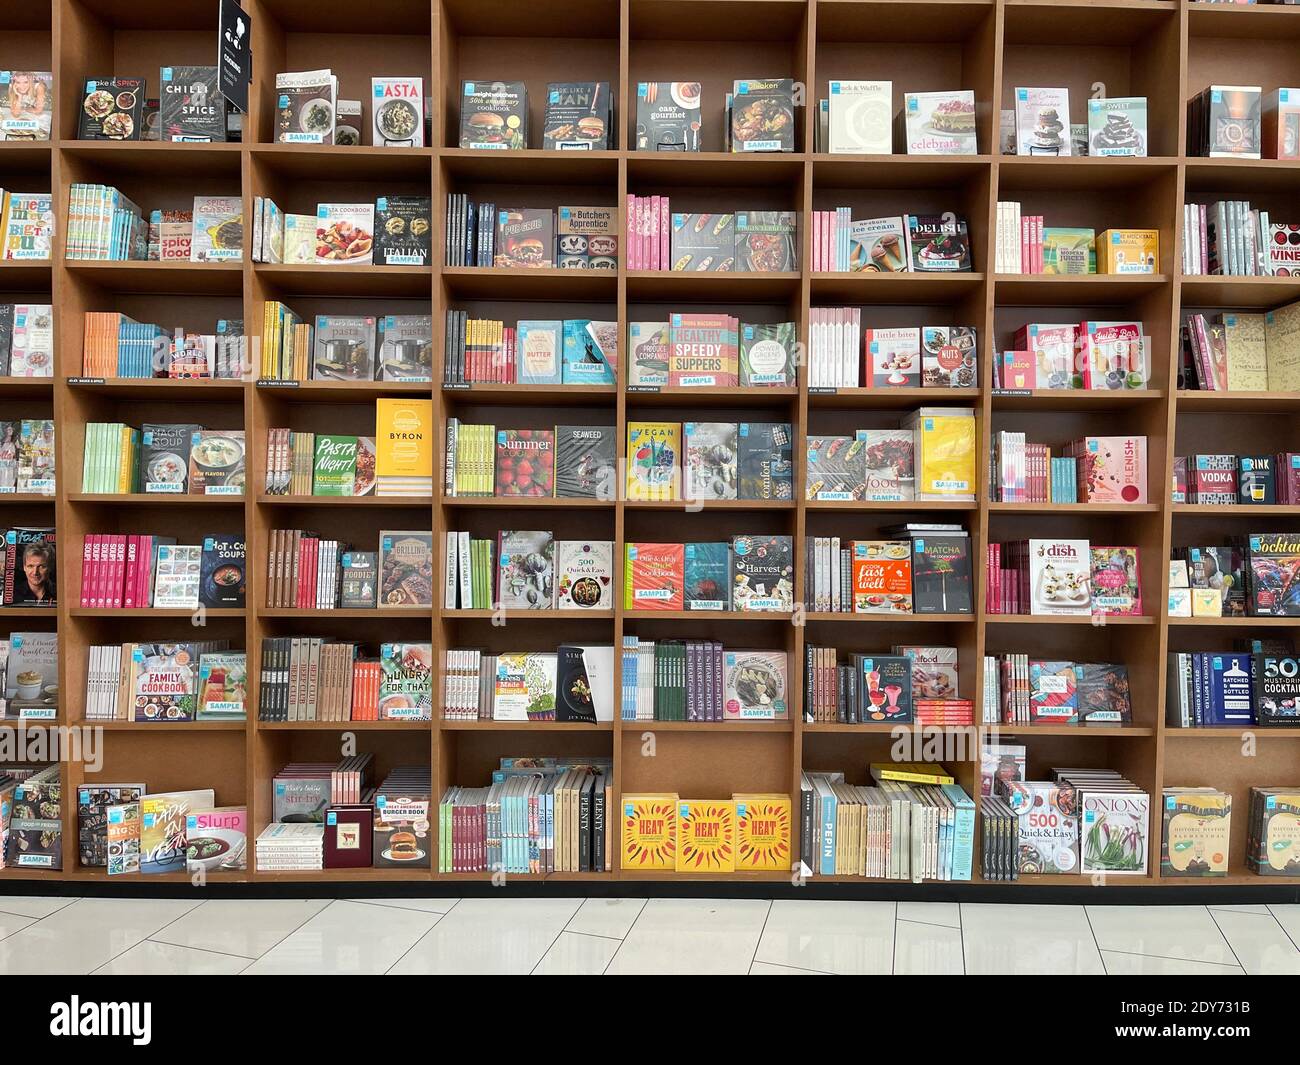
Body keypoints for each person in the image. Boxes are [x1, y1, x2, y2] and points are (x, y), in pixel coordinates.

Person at [12, 541, 54, 605]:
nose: (35, 572)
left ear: (50, 567)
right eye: (30, 566)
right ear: (24, 567)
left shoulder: (61, 593)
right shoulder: (13, 594)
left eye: (41, 566)